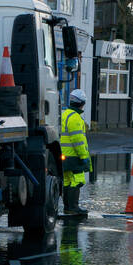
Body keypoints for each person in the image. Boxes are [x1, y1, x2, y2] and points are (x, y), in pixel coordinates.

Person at [60, 89, 91, 220]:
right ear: (82, 103)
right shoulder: (76, 118)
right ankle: (73, 208)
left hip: (64, 155)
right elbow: (78, 140)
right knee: (77, 181)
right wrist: (84, 156)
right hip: (74, 156)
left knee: (67, 181)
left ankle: (67, 207)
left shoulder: (65, 114)